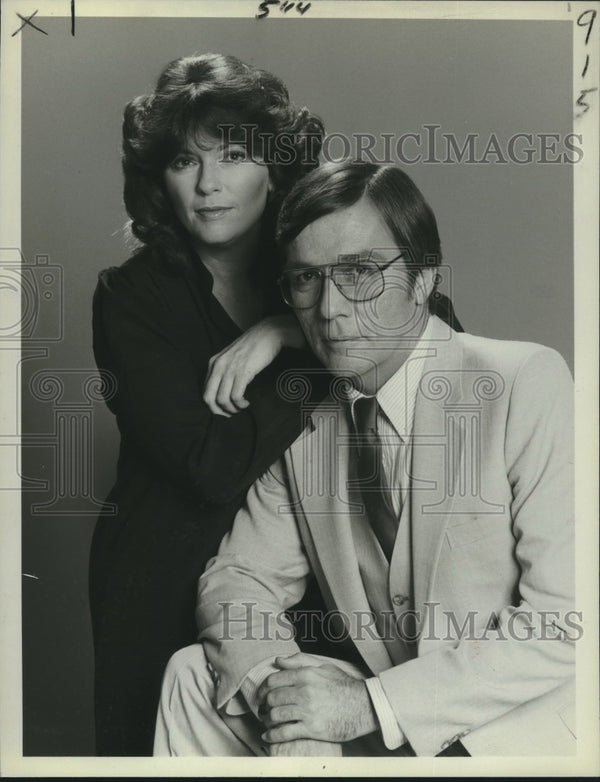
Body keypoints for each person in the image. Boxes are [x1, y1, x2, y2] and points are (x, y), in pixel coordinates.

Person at [154, 161, 576, 757]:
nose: (329, 309)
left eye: (359, 272)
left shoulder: (522, 382)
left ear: (424, 280)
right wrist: (285, 702)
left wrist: (365, 706)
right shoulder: (306, 423)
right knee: (193, 673)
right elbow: (238, 579)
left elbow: (563, 625)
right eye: (306, 279)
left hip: (508, 728)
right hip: (392, 716)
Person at [89, 51, 328, 756]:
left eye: (231, 156)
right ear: (158, 179)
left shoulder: (313, 260)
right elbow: (209, 464)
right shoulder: (131, 296)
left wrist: (287, 326)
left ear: (275, 166)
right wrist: (317, 350)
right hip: (161, 578)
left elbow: (430, 320)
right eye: (184, 162)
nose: (208, 184)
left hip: (298, 575)